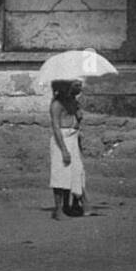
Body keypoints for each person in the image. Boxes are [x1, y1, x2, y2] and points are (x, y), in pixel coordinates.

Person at [49, 79, 87, 219]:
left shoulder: (73, 103)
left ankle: (68, 205)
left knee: (75, 172)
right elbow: (56, 128)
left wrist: (78, 114)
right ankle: (58, 209)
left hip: (73, 136)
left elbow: (77, 119)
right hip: (62, 139)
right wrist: (64, 149)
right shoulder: (56, 104)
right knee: (60, 173)